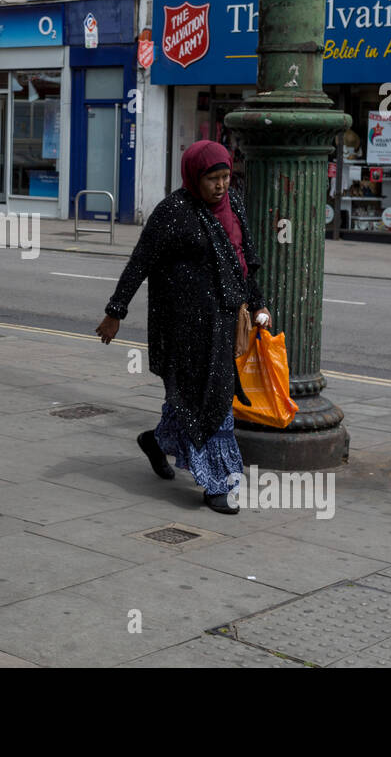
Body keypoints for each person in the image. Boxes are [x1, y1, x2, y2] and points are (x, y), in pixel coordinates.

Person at [95, 140, 271, 514]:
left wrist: (258, 305)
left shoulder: (233, 205)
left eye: (226, 177)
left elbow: (244, 260)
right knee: (214, 398)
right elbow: (140, 262)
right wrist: (115, 311)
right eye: (213, 179)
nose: (221, 185)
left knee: (196, 398)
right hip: (183, 327)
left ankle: (156, 443)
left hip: (223, 322)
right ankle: (217, 484)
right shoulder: (172, 212)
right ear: (194, 176)